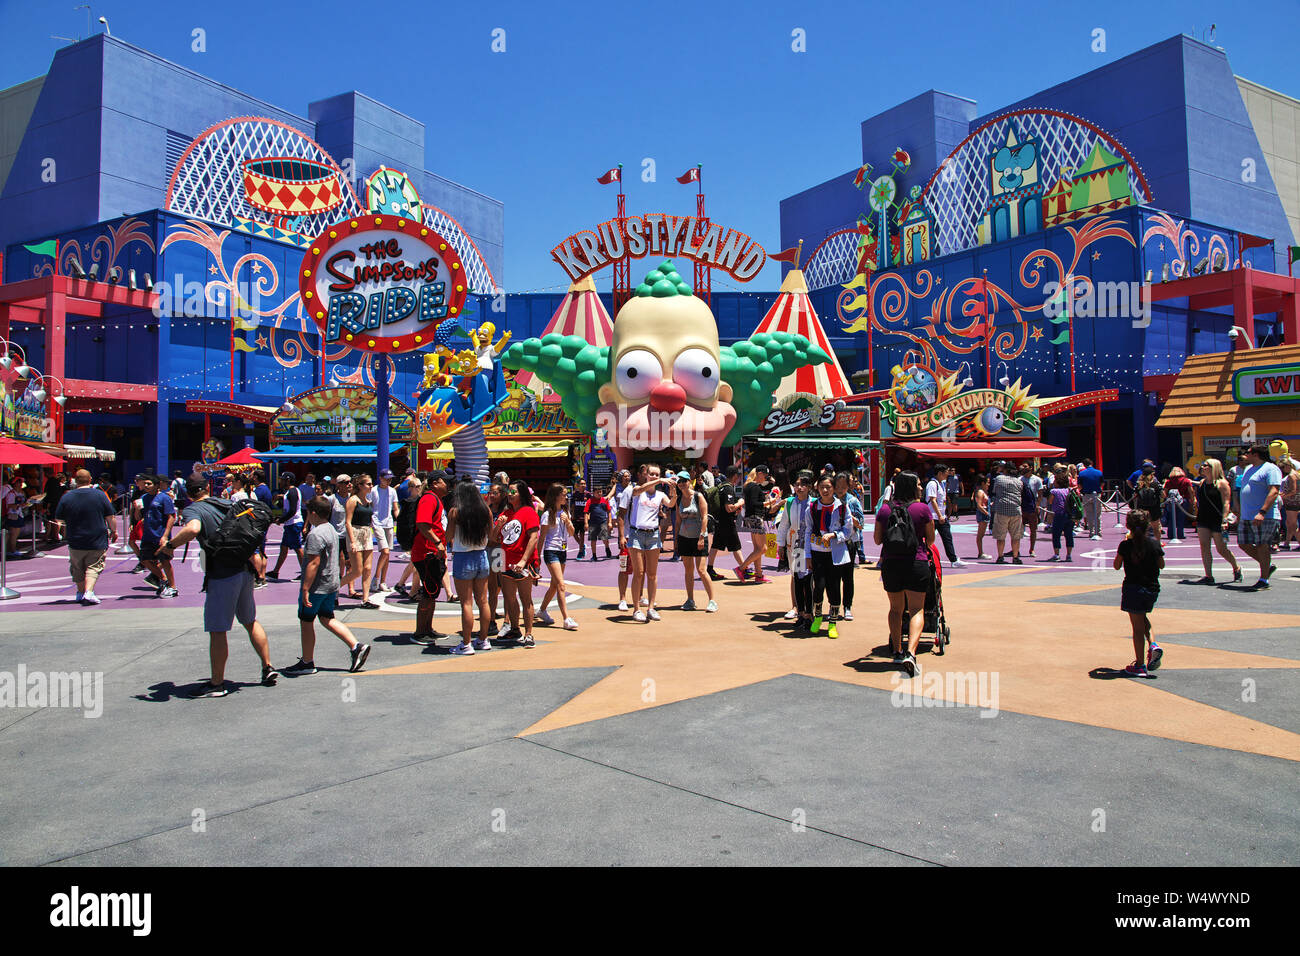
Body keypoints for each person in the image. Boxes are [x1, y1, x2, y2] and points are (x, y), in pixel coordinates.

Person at [157, 479, 278, 697]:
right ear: (206, 489)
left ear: (189, 494)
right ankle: (267, 667)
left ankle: (217, 683)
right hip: (245, 570)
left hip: (223, 573)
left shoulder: (194, 509)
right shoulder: (226, 504)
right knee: (250, 621)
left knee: (217, 629)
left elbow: (193, 529)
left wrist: (169, 546)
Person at [284, 496, 372, 675]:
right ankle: (356, 646)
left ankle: (307, 661)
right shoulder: (331, 529)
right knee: (326, 617)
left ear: (313, 514)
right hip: (331, 584)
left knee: (306, 621)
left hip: (318, 586)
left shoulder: (315, 534)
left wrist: (305, 588)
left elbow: (313, 563)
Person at [874, 471, 934, 677]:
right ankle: (911, 652)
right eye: (918, 484)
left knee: (895, 609)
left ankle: (897, 650)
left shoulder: (884, 509)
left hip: (891, 563)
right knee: (916, 609)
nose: (921, 487)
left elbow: (877, 539)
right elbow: (931, 539)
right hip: (916, 562)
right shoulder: (922, 509)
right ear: (911, 486)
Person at [52, 469, 118, 604]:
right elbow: (110, 516)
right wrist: (114, 531)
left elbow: (58, 519)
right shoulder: (99, 495)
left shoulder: (67, 496)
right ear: (90, 479)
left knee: (77, 567)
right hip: (97, 537)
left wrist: (57, 533)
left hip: (75, 538)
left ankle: (80, 592)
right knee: (94, 566)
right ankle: (89, 592)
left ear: (75, 481)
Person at [1113, 508, 1165, 678]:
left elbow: (1116, 565)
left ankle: (1140, 664)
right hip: (1151, 588)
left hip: (1133, 588)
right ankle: (1153, 644)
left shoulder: (1126, 545)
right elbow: (1161, 564)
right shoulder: (1154, 544)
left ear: (1128, 526)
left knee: (1136, 628)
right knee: (1142, 617)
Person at [446, 478, 495, 654]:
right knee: (483, 601)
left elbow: (448, 536)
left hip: (463, 557)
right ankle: (483, 639)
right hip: (482, 556)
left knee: (466, 603)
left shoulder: (455, 512)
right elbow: (491, 535)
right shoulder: (485, 511)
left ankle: (466, 644)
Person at [626, 464, 676, 622]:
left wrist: (674, 493)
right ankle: (636, 609)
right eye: (652, 474)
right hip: (636, 534)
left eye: (657, 474)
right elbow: (637, 491)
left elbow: (670, 504)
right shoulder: (637, 490)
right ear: (646, 475)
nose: (655, 476)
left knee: (652, 574)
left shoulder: (660, 494)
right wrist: (659, 480)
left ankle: (651, 608)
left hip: (653, 534)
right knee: (638, 573)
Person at [497, 479, 540, 646]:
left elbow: (533, 538)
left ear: (521, 494)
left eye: (513, 491)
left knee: (525, 598)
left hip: (525, 562)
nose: (509, 494)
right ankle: (514, 628)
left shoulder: (529, 512)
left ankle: (529, 633)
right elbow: (494, 538)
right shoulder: (505, 514)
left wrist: (523, 561)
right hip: (505, 560)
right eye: (508, 491)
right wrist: (497, 526)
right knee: (509, 598)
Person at [807, 473, 851, 639]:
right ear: (817, 488)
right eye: (822, 487)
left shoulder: (841, 507)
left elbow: (848, 531)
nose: (824, 490)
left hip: (835, 554)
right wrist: (807, 555)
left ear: (834, 489)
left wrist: (834, 535)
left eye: (828, 487)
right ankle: (817, 617)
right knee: (818, 586)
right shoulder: (812, 507)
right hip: (817, 553)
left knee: (834, 588)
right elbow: (807, 531)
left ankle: (832, 623)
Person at [409, 470, 450, 645]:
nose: (447, 485)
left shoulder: (436, 499)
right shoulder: (429, 498)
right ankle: (420, 631)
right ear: (435, 483)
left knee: (432, 592)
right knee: (427, 592)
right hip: (427, 553)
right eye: (444, 481)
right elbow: (422, 523)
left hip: (432, 552)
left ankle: (427, 628)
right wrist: (437, 542)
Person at [1236, 443, 1281, 589]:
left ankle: (1264, 579)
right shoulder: (1249, 469)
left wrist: (1262, 512)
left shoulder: (1271, 468)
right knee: (1243, 543)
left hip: (1264, 516)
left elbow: (1274, 491)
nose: (1245, 455)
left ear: (1256, 454)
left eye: (1247, 452)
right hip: (1247, 515)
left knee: (1262, 545)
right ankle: (1267, 566)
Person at [1191, 458, 1242, 584]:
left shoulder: (1221, 483)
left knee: (1221, 548)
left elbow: (1226, 502)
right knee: (1204, 546)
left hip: (1217, 519)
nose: (1203, 467)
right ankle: (1209, 575)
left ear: (1214, 468)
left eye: (1205, 465)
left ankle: (1236, 567)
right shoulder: (1202, 482)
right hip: (1203, 518)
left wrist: (1224, 519)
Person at [536, 483, 579, 630]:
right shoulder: (548, 514)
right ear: (556, 496)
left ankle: (541, 610)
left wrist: (568, 522)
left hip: (562, 551)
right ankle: (566, 618)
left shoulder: (565, 512)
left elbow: (572, 533)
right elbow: (541, 538)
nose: (566, 497)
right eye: (564, 494)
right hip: (551, 550)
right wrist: (537, 557)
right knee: (561, 584)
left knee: (554, 586)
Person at [674, 471, 716, 612]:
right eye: (679, 481)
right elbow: (678, 521)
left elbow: (704, 517)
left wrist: (701, 537)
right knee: (688, 570)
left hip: (699, 537)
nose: (681, 484)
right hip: (684, 537)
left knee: (701, 570)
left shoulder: (698, 496)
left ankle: (712, 600)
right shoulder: (679, 499)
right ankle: (690, 600)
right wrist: (676, 539)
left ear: (689, 481)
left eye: (684, 481)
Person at [780, 472, 814, 629]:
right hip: (795, 545)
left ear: (809, 487)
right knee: (798, 579)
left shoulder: (814, 503)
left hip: (810, 546)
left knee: (809, 581)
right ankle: (800, 612)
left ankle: (810, 612)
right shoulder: (790, 503)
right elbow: (784, 524)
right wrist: (780, 544)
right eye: (797, 485)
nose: (799, 488)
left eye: (803, 485)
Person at [139, 474, 179, 597]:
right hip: (148, 535)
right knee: (144, 559)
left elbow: (171, 516)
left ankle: (173, 587)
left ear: (157, 485)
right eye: (145, 483)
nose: (146, 486)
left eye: (149, 483)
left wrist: (165, 536)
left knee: (165, 561)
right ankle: (163, 579)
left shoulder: (164, 498)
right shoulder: (144, 498)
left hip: (160, 535)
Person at [341, 474, 378, 608]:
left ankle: (366, 599)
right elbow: (348, 522)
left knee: (368, 568)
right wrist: (352, 541)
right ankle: (333, 589)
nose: (371, 486)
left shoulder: (368, 501)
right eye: (368, 484)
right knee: (357, 570)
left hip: (367, 533)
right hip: (355, 533)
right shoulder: (353, 500)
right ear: (360, 486)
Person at [706, 464, 745, 582]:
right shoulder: (728, 488)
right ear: (734, 476)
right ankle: (743, 569)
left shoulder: (721, 486)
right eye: (737, 476)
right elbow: (729, 508)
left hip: (719, 521)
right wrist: (740, 503)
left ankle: (710, 569)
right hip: (727, 522)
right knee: (736, 546)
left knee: (716, 545)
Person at [833, 471, 864, 620]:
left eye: (843, 486)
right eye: (837, 486)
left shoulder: (852, 501)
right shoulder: (829, 500)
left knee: (847, 576)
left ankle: (847, 606)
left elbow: (861, 523)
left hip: (849, 542)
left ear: (848, 486)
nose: (840, 490)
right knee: (833, 577)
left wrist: (848, 515)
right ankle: (834, 606)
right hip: (832, 542)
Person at [736, 465, 774, 583]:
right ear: (760, 473)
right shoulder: (754, 487)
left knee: (757, 548)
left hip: (751, 518)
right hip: (756, 518)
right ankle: (741, 568)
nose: (766, 478)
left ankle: (759, 575)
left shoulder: (748, 486)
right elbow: (754, 503)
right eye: (766, 475)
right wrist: (767, 503)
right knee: (763, 548)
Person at [925, 464, 964, 568]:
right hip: (933, 517)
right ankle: (922, 557)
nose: (948, 473)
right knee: (928, 538)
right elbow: (933, 500)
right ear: (939, 473)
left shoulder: (942, 483)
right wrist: (939, 515)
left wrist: (945, 514)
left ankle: (953, 560)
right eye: (946, 472)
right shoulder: (932, 484)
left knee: (947, 538)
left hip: (942, 516)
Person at [392, 475, 424, 599]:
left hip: (418, 535)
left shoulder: (422, 500)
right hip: (412, 537)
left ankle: (400, 584)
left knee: (414, 563)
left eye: (419, 486)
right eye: (415, 486)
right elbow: (402, 522)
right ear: (410, 488)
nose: (418, 488)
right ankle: (413, 591)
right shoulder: (407, 503)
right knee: (417, 563)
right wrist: (405, 540)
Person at [368, 469, 400, 592]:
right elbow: (369, 506)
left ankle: (382, 581)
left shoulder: (392, 491)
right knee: (385, 552)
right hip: (377, 523)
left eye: (390, 478)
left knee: (387, 555)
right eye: (386, 478)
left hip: (389, 523)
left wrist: (400, 519)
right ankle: (376, 578)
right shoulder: (373, 491)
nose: (389, 480)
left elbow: (395, 508)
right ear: (380, 478)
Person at [269, 471, 305, 580]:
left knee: (298, 548)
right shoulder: (290, 491)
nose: (281, 482)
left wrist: (281, 520)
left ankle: (305, 572)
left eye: (283, 480)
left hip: (293, 524)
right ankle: (275, 572)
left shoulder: (293, 492)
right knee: (284, 548)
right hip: (290, 523)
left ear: (288, 480)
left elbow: (293, 510)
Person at [989, 462, 1024, 564]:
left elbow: (995, 491)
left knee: (1000, 536)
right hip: (1016, 510)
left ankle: (1000, 556)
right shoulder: (1019, 481)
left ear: (1005, 470)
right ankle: (1015, 557)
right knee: (1016, 536)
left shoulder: (999, 479)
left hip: (1001, 509)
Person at [613, 468, 635, 610]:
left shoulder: (636, 490)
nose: (627, 478)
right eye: (624, 476)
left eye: (628, 476)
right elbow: (620, 515)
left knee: (641, 569)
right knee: (623, 567)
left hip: (637, 535)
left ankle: (639, 596)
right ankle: (622, 598)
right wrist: (621, 535)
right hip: (625, 535)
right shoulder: (620, 491)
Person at [1045, 470, 1075, 562]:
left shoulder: (1054, 491)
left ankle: (1057, 554)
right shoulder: (1069, 490)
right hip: (1069, 514)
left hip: (1059, 514)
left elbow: (1050, 501)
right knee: (1069, 534)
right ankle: (1069, 555)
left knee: (1056, 534)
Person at [1130, 468, 1164, 540]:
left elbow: (1134, 495)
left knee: (1144, 528)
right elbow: (1163, 494)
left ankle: (1144, 543)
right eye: (1152, 474)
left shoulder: (1139, 484)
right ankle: (1158, 543)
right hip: (1154, 508)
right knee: (1156, 528)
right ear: (1150, 475)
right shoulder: (1156, 484)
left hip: (1142, 509)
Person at [1163, 466, 1193, 544]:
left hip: (1171, 500)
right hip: (1183, 500)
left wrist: (1166, 499)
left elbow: (1164, 492)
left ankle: (1170, 534)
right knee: (1181, 518)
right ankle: (1180, 534)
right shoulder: (1186, 481)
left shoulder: (1169, 481)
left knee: (1171, 517)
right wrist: (1192, 500)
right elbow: (1191, 491)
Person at [1018, 462, 1043, 557]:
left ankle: (1032, 549)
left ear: (1031, 468)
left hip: (1032, 508)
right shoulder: (1019, 479)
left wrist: (1037, 506)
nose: (1023, 468)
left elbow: (1040, 495)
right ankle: (1016, 548)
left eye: (1025, 466)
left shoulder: (1037, 480)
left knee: (1033, 529)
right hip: (1022, 507)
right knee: (1018, 530)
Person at [584, 485, 613, 560]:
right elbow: (586, 512)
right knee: (593, 540)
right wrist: (586, 523)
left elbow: (609, 511)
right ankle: (594, 555)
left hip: (603, 522)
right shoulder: (589, 501)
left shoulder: (604, 500)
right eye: (597, 492)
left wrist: (610, 522)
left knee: (605, 538)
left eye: (600, 492)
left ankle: (607, 548)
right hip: (592, 523)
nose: (599, 493)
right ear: (593, 493)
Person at [1077, 458, 1104, 539]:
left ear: (1084, 465)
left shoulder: (1082, 474)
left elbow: (1079, 486)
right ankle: (1098, 531)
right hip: (1097, 495)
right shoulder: (1099, 472)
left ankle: (1092, 531)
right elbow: (1102, 483)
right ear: (1091, 463)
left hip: (1087, 495)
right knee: (1098, 514)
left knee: (1089, 514)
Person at [1279, 458, 1300, 551]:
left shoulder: (1292, 475)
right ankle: (1287, 543)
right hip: (1292, 501)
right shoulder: (1295, 473)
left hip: (1293, 502)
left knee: (1292, 524)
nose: (1282, 469)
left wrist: (1283, 496)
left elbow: (1293, 490)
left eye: (1283, 467)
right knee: (1288, 523)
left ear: (1287, 466)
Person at [570, 478, 590, 560]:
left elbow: (590, 507)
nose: (583, 485)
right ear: (578, 485)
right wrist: (572, 515)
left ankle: (580, 552)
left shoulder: (588, 495)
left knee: (582, 535)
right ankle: (582, 546)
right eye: (581, 484)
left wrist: (588, 517)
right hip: (576, 518)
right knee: (573, 533)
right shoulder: (575, 494)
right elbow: (573, 506)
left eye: (584, 483)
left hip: (584, 518)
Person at [973, 474, 991, 559]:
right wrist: (987, 513)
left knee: (981, 535)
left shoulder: (983, 492)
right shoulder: (980, 492)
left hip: (984, 514)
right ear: (983, 483)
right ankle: (980, 553)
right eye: (987, 482)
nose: (988, 484)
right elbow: (979, 505)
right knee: (980, 535)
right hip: (982, 515)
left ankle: (981, 552)